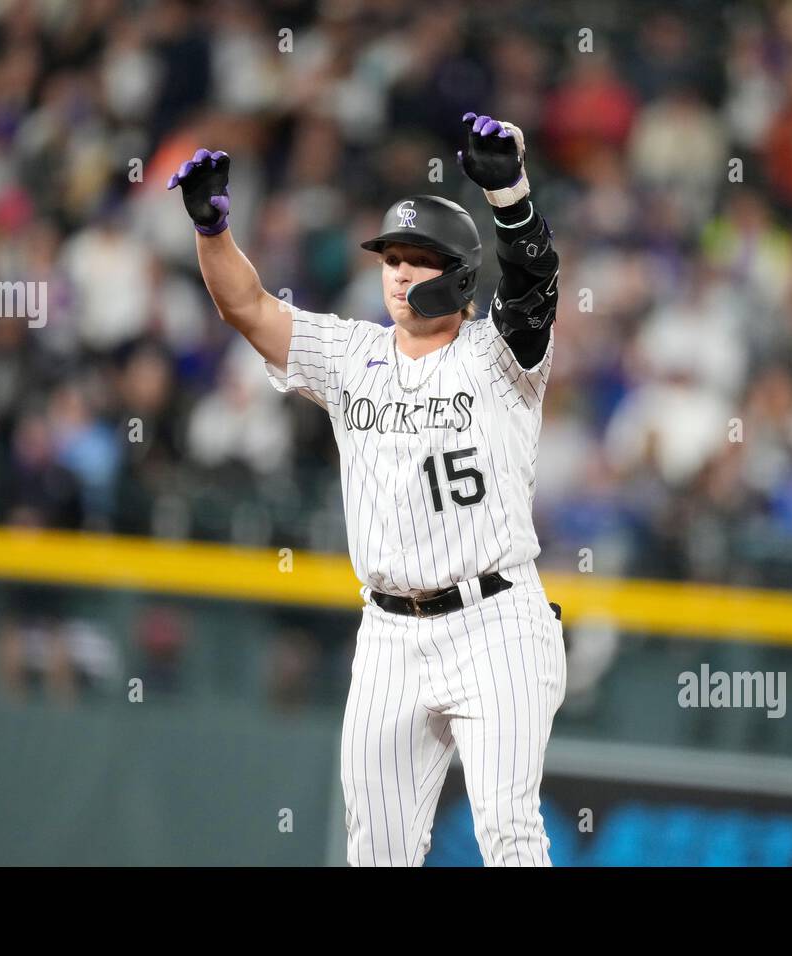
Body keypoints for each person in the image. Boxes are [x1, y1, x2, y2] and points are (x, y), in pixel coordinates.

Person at [170, 112, 565, 866]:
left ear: (456, 271)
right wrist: (213, 233)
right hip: (388, 630)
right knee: (375, 852)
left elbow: (534, 283)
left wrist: (510, 193)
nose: (400, 272)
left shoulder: (501, 357)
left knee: (510, 839)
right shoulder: (354, 354)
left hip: (497, 623)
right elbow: (247, 308)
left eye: (418, 259)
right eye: (391, 258)